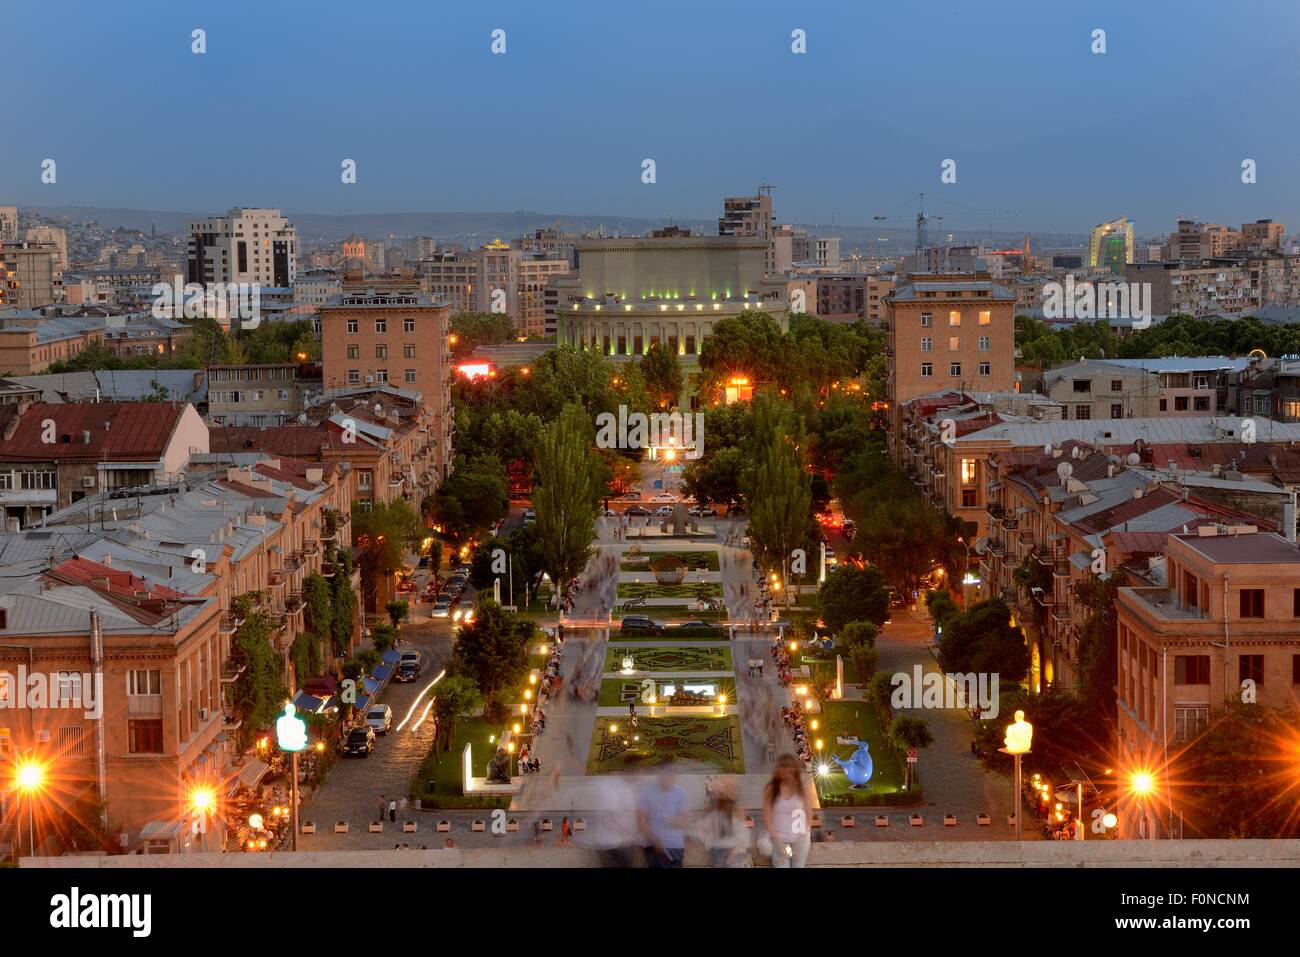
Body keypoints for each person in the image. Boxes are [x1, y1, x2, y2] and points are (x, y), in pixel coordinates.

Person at [762, 754, 812, 868]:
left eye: (790, 767)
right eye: (783, 767)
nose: (787, 771)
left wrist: (804, 836)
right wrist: (777, 842)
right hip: (779, 838)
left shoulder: (803, 788)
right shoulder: (771, 789)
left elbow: (808, 814)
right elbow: (767, 818)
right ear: (778, 770)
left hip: (800, 839)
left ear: (795, 769)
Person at [637, 769, 690, 868]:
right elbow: (641, 821)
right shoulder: (646, 793)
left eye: (670, 776)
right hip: (652, 847)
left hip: (675, 846)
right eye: (664, 775)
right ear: (658, 775)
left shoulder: (681, 793)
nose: (666, 778)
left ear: (674, 776)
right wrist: (654, 841)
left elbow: (685, 822)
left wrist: (672, 821)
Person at [695, 778, 748, 868]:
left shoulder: (736, 807)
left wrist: (736, 850)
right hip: (719, 848)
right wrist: (709, 840)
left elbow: (741, 831)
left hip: (732, 849)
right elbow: (702, 826)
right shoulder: (714, 808)